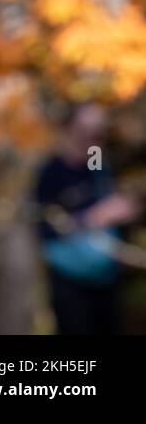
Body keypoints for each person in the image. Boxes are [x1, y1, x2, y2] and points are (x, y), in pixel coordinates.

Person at [35, 104, 139, 334]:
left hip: (107, 279)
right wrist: (95, 216)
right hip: (70, 281)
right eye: (87, 131)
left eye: (100, 132)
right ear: (70, 129)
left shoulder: (101, 169)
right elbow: (47, 228)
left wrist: (126, 210)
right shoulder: (51, 173)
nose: (93, 139)